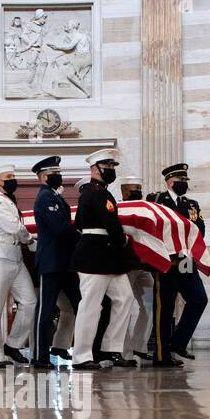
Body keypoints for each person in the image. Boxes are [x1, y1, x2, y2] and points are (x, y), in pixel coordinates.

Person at [70, 149, 137, 370]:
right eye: (106, 168)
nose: (110, 171)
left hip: (108, 258)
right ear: (94, 169)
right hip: (94, 257)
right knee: (90, 306)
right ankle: (81, 356)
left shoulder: (98, 193)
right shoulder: (95, 193)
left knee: (125, 298)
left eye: (112, 168)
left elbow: (79, 223)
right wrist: (123, 241)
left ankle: (112, 348)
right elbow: (111, 224)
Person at [0, 164, 37, 368]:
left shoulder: (8, 201)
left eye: (14, 175)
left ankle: (12, 344)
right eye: (9, 176)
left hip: (15, 256)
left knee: (29, 301)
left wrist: (27, 239)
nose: (13, 179)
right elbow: (13, 226)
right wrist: (30, 239)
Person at [152, 162, 207, 360]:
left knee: (199, 299)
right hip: (166, 260)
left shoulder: (191, 204)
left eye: (185, 180)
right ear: (169, 181)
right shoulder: (157, 199)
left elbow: (200, 228)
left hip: (186, 259)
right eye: (179, 180)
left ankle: (178, 343)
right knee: (165, 308)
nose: (183, 183)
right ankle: (162, 353)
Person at [31, 155, 80, 369]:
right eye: (54, 174)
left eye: (59, 173)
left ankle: (79, 350)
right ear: (43, 177)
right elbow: (59, 228)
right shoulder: (44, 198)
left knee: (80, 304)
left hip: (66, 263)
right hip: (51, 263)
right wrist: (82, 233)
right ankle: (40, 356)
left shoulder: (56, 197)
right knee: (46, 310)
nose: (58, 177)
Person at [119, 175, 154, 361]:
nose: (138, 192)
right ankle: (124, 352)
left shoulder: (145, 209)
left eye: (139, 189)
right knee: (124, 306)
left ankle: (139, 345)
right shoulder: (118, 209)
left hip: (145, 265)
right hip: (127, 265)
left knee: (149, 304)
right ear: (124, 192)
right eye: (133, 190)